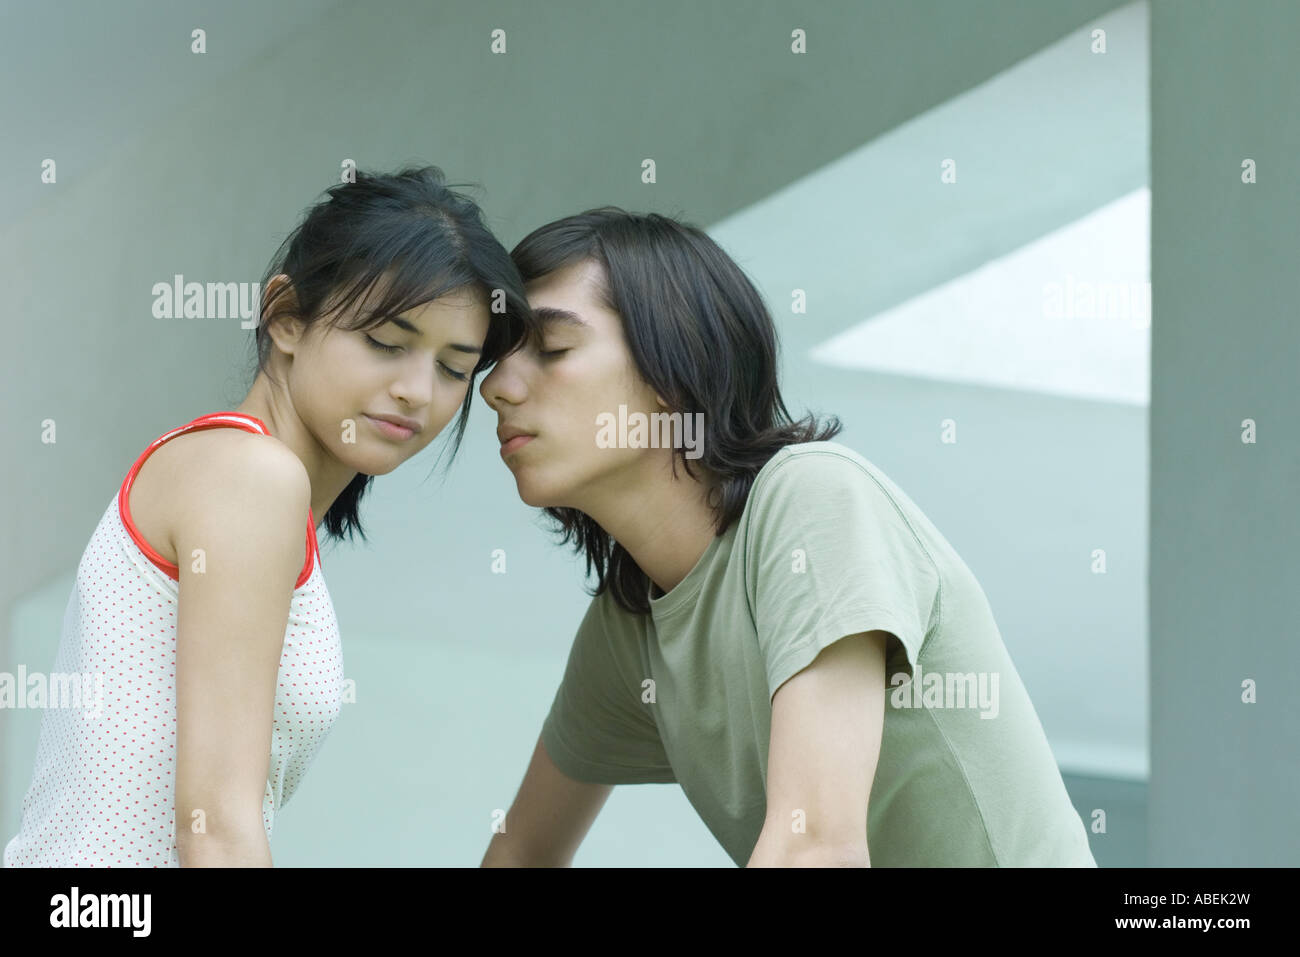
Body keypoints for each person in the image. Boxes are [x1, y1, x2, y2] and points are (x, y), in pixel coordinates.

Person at [477, 208, 1097, 867]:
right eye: (497, 358)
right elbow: (520, 853)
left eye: (550, 348)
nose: (495, 387)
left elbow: (819, 848)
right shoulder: (632, 622)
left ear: (672, 368)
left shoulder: (813, 501)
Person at [3, 165, 536, 867]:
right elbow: (216, 829)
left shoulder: (251, 485)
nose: (416, 390)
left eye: (453, 367)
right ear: (285, 315)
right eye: (386, 341)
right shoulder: (249, 475)